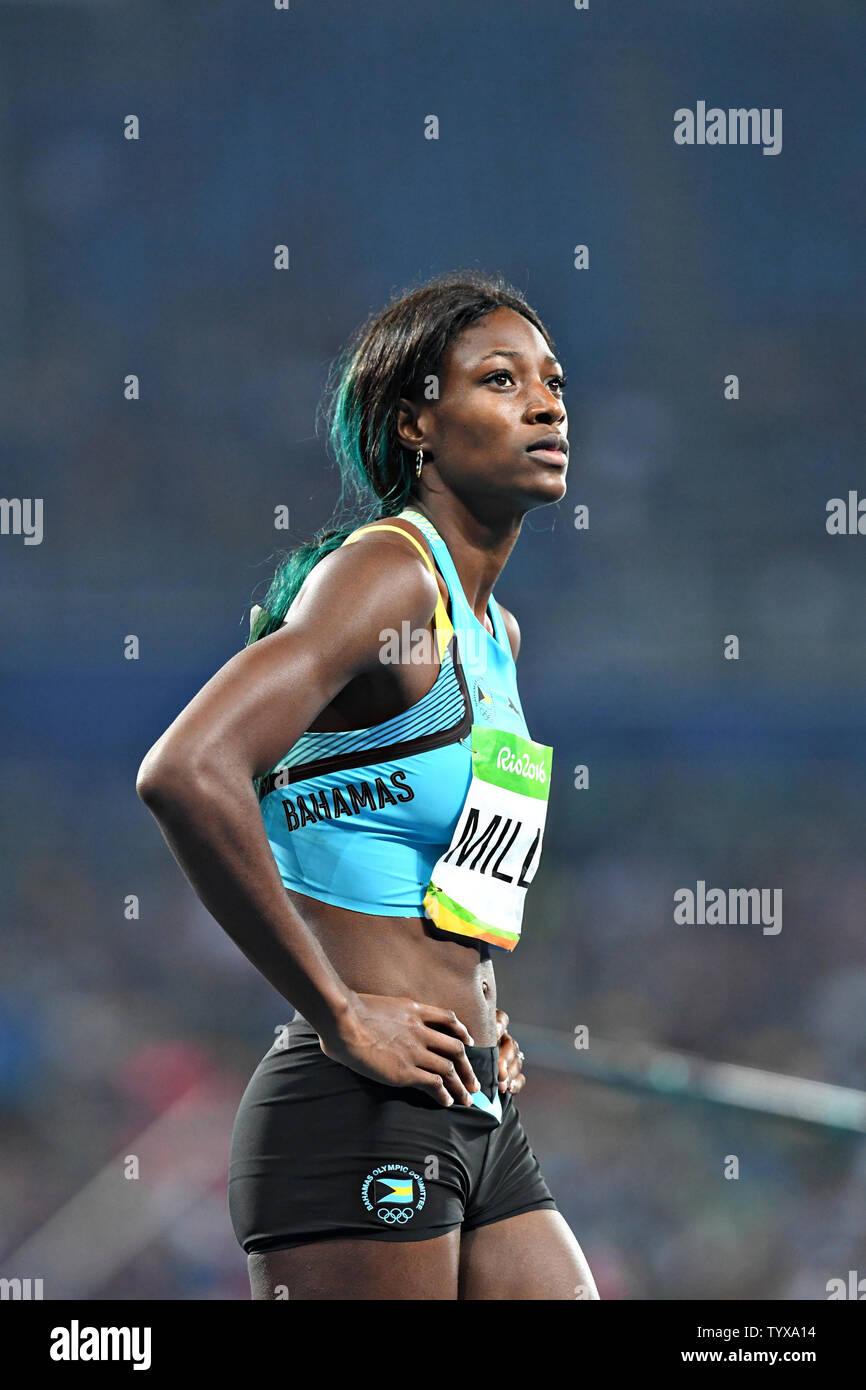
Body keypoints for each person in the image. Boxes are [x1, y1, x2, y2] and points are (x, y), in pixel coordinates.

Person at [136, 269, 599, 1301]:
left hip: (473, 1104)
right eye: (498, 379)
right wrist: (343, 1011)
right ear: (416, 425)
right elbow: (185, 769)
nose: (545, 402)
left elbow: (451, 878)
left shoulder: (497, 635)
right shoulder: (385, 575)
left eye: (552, 380)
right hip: (354, 1107)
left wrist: (484, 1013)